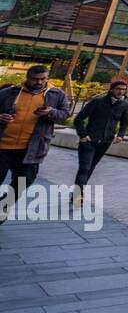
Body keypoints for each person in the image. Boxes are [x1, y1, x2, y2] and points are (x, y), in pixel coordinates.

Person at [0, 65, 73, 222]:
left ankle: (3, 206)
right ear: (27, 77)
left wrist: (51, 112)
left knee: (24, 181)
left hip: (30, 149)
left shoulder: (57, 95)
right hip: (3, 147)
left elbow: (65, 114)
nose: (39, 82)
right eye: (35, 79)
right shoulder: (9, 92)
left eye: (43, 79)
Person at [72, 78, 128, 192]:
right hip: (88, 141)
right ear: (112, 89)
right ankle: (78, 195)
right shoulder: (97, 102)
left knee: (91, 168)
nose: (121, 92)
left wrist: (120, 135)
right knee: (84, 168)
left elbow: (125, 123)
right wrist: (83, 135)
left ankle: (78, 191)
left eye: (124, 90)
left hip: (105, 142)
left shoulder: (124, 105)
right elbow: (78, 119)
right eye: (118, 89)